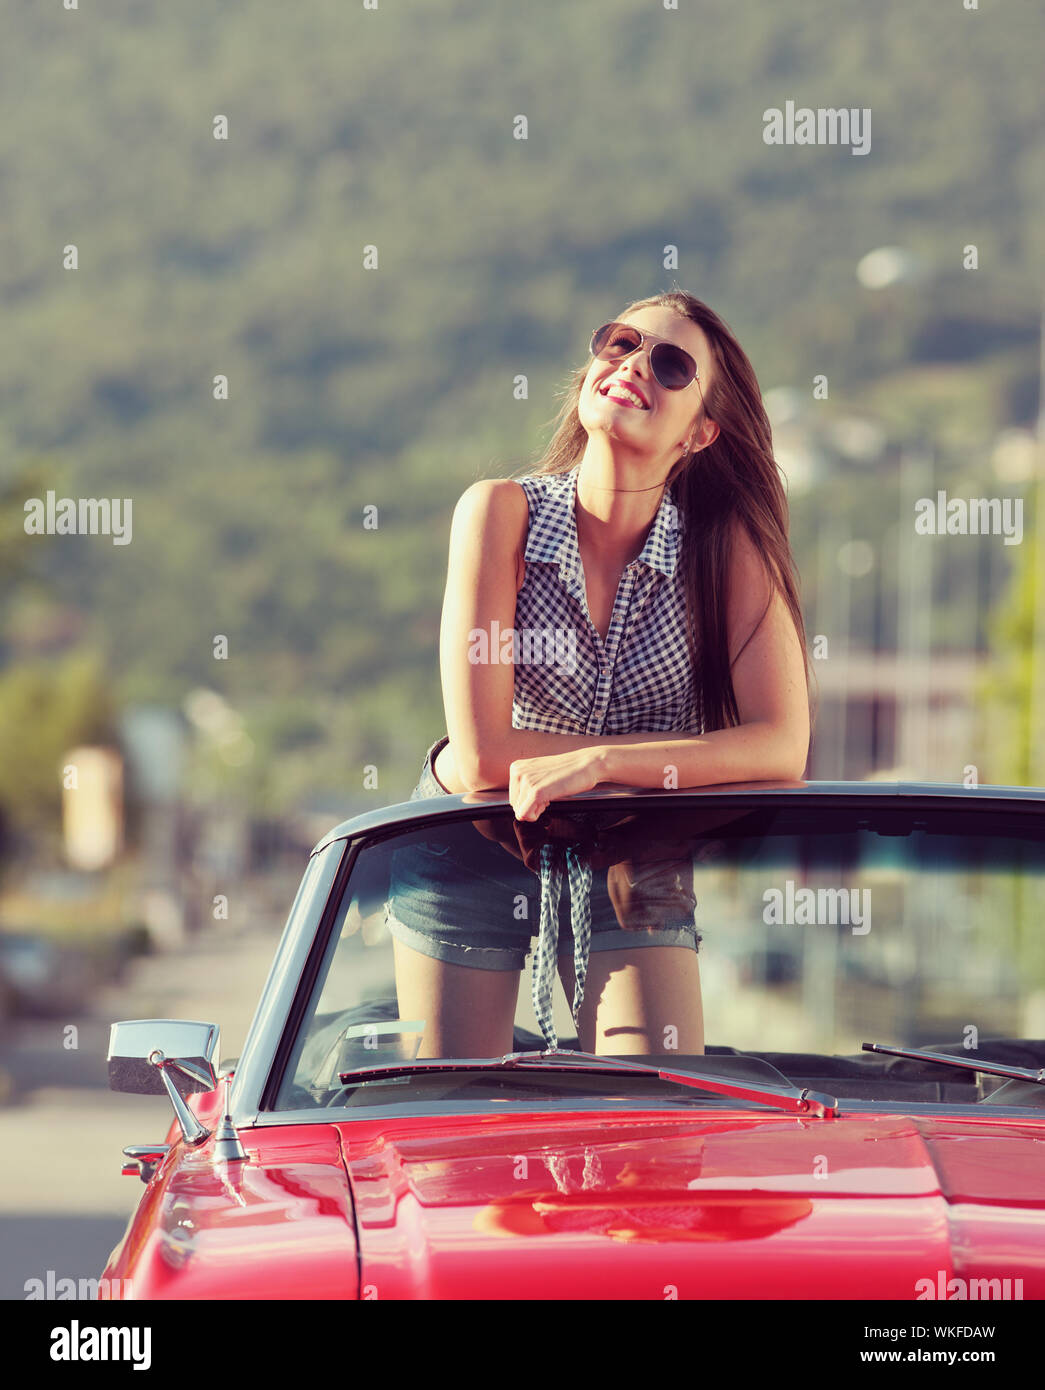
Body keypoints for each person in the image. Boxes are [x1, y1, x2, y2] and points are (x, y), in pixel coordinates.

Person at [387, 288, 813, 1059]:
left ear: (701, 432)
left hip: (632, 853)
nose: (633, 365)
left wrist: (603, 763)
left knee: (647, 1136)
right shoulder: (497, 515)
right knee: (453, 1140)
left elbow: (781, 749)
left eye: (671, 364)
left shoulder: (725, 553)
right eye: (619, 343)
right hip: (471, 837)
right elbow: (482, 756)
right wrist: (653, 765)